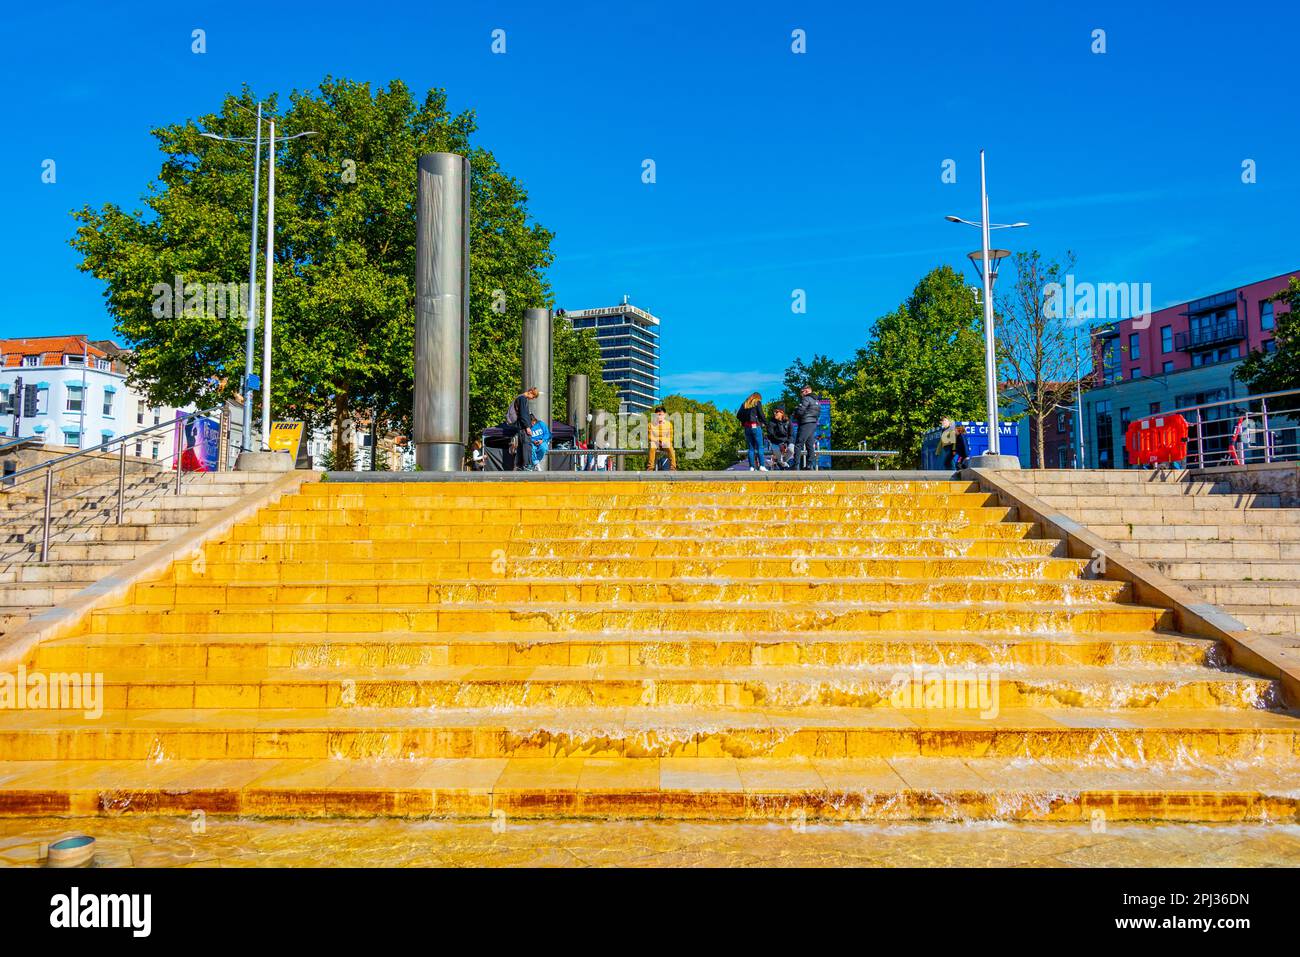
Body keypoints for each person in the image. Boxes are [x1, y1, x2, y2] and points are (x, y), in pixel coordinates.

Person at [503, 387, 540, 470]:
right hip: (523, 427)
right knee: (527, 445)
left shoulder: (519, 398)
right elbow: (523, 414)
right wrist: (527, 427)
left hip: (520, 427)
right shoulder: (523, 399)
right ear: (530, 392)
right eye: (533, 396)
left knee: (521, 446)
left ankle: (520, 465)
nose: (533, 398)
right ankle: (527, 465)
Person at [736, 393, 768, 471]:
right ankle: (762, 466)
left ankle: (751, 467)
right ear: (758, 397)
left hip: (747, 427)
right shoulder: (757, 402)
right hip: (755, 426)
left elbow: (738, 415)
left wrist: (744, 421)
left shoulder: (745, 403)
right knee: (760, 447)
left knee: (751, 448)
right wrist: (766, 423)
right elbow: (761, 414)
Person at [793, 386, 820, 470]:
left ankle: (796, 465)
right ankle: (809, 465)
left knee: (798, 444)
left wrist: (795, 414)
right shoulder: (816, 401)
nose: (801, 394)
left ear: (806, 391)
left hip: (805, 423)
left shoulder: (806, 399)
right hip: (813, 423)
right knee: (809, 445)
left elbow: (800, 410)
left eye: (802, 392)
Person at [647, 405, 677, 471]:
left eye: (661, 414)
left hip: (665, 442)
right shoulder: (650, 424)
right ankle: (650, 467)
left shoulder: (669, 424)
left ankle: (673, 467)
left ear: (665, 415)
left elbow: (671, 437)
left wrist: (663, 441)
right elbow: (649, 436)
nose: (659, 416)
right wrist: (658, 441)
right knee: (652, 446)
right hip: (655, 442)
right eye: (657, 415)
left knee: (670, 448)